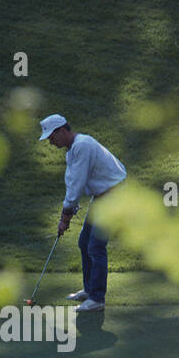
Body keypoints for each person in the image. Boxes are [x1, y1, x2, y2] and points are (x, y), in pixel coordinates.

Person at [38, 113, 127, 311]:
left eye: (52, 138)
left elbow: (76, 186)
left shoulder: (82, 146)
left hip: (114, 195)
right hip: (103, 196)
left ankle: (97, 299)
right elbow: (75, 184)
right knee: (84, 242)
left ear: (62, 130)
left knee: (95, 246)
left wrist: (65, 216)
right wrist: (68, 214)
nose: (51, 143)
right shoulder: (72, 151)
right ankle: (89, 290)